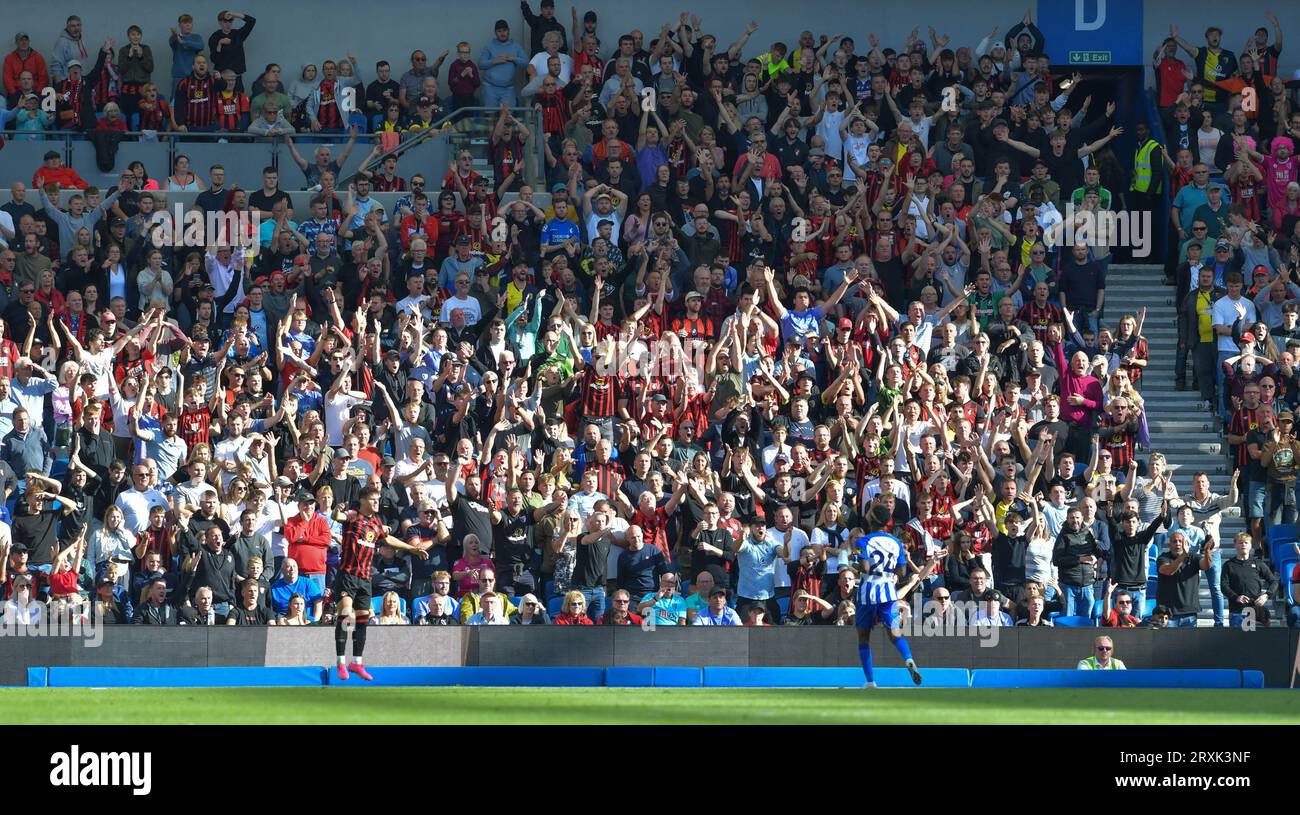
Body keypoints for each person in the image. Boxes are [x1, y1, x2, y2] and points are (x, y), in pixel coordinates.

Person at [330, 487, 428, 681]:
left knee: (363, 619)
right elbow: (338, 516)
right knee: (346, 613)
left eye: (378, 499)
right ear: (363, 501)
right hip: (348, 575)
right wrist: (336, 511)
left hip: (366, 578)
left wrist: (412, 549)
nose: (377, 503)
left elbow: (388, 539)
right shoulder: (353, 516)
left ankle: (356, 662)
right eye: (373, 499)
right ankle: (341, 662)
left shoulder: (376, 522)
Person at [852, 507, 923, 688]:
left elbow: (865, 567)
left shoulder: (862, 541)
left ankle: (870, 681)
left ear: (872, 519)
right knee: (894, 633)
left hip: (868, 591)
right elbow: (902, 571)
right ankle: (908, 658)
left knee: (863, 637)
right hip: (888, 591)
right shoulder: (896, 541)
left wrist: (854, 562)